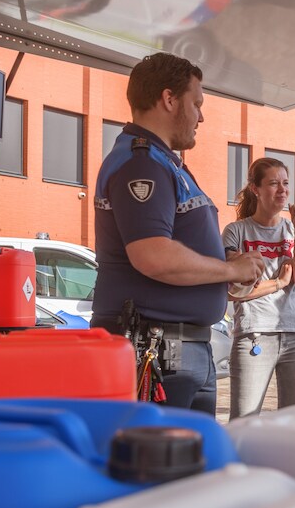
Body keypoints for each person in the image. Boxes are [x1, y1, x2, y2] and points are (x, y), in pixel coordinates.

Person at [91, 52, 263, 415]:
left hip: (182, 350)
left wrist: (222, 263)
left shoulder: (162, 161)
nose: (201, 116)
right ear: (169, 99)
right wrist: (230, 270)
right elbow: (152, 255)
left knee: (188, 464)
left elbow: (172, 246)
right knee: (161, 464)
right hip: (158, 350)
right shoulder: (143, 164)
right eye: (196, 103)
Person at [222, 158, 295, 419]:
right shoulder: (236, 232)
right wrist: (278, 283)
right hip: (255, 334)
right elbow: (234, 291)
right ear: (255, 188)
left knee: (294, 422)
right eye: (274, 183)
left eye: (285, 183)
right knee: (244, 420)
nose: (282, 190)